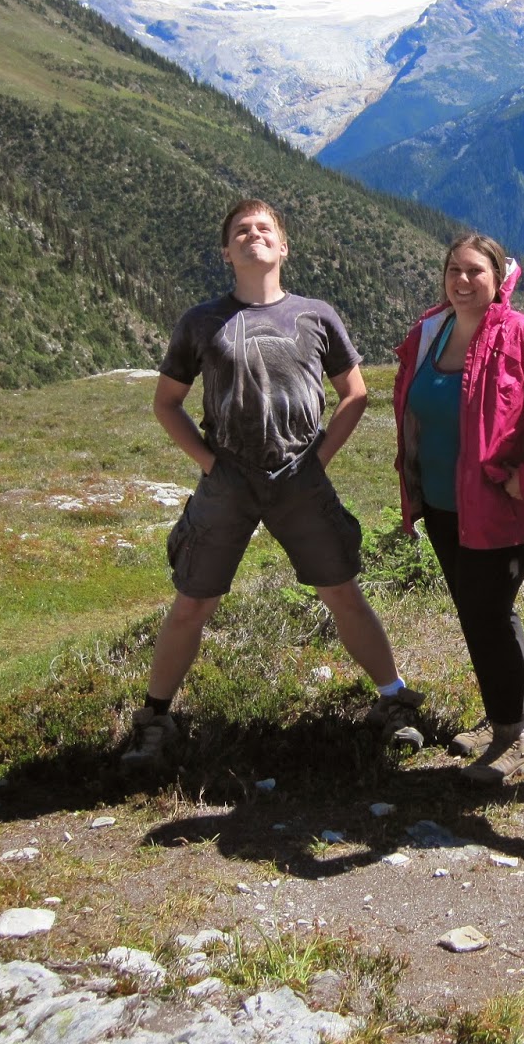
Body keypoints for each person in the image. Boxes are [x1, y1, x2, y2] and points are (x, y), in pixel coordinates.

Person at [122, 198, 422, 771]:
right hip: (229, 480)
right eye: (241, 231)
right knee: (192, 603)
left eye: (264, 229)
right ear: (226, 252)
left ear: (283, 247)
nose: (253, 236)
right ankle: (155, 719)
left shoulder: (315, 315)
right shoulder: (201, 322)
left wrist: (319, 460)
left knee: (342, 593)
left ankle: (394, 699)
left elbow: (354, 394)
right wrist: (211, 465)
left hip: (298, 477)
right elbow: (167, 403)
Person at [392, 234, 524, 784]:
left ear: (498, 277)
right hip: (442, 506)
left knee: (490, 613)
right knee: (473, 614)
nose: (462, 281)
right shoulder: (428, 334)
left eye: (474, 272)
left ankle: (518, 740)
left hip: (501, 509)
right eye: (453, 271)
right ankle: (502, 721)